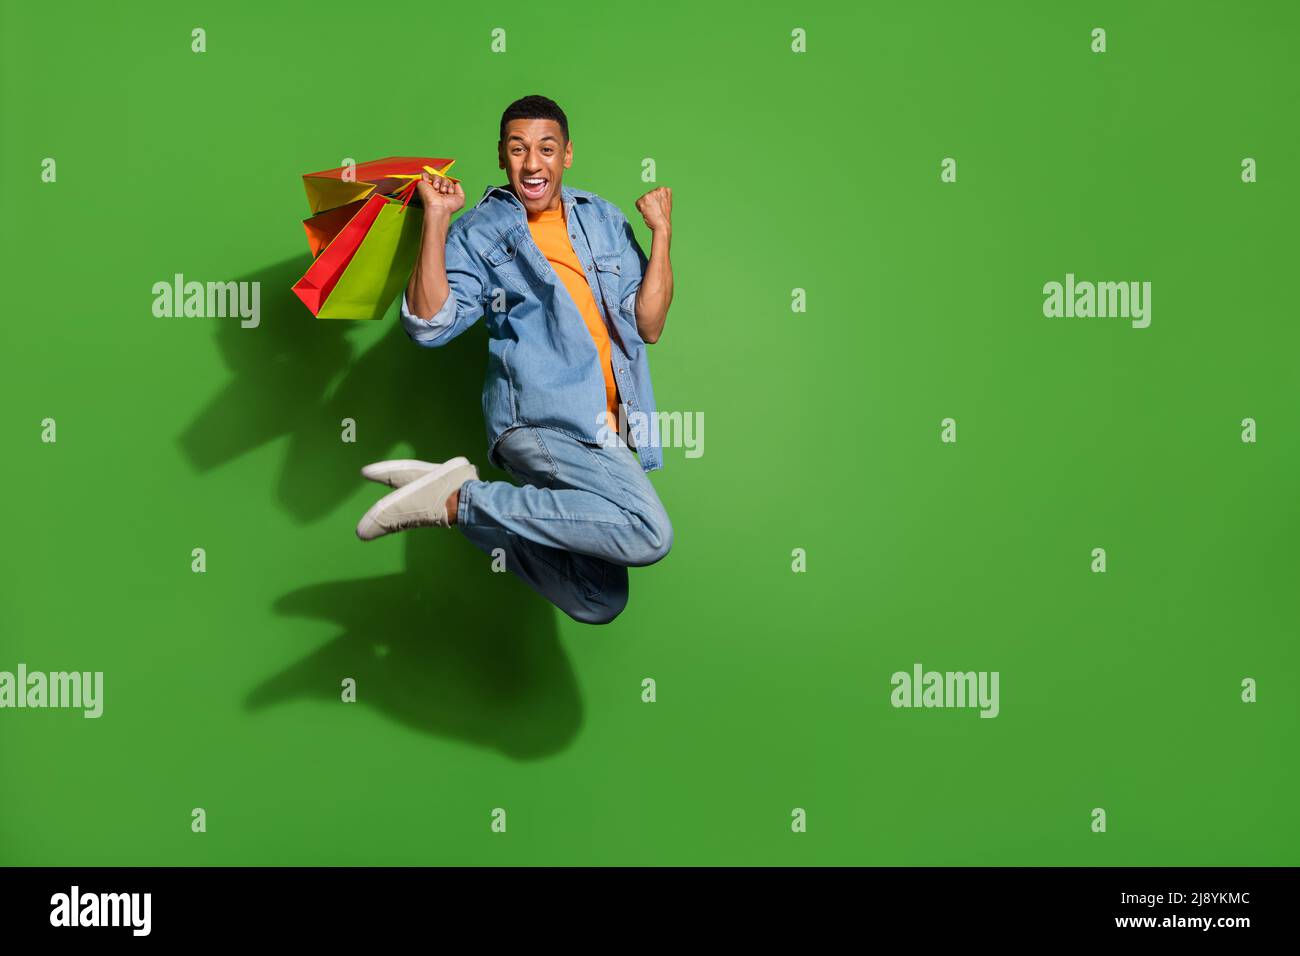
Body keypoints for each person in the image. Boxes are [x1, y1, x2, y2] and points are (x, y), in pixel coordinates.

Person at [355, 95, 676, 625]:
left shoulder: (603, 220)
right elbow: (430, 326)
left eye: (546, 149)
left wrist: (661, 234)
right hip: (544, 418)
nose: (533, 163)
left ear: (566, 155)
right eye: (518, 149)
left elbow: (649, 324)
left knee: (598, 598)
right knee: (647, 530)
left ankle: (449, 494)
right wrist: (436, 219)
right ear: (502, 157)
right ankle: (459, 501)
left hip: (610, 427)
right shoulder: (479, 230)